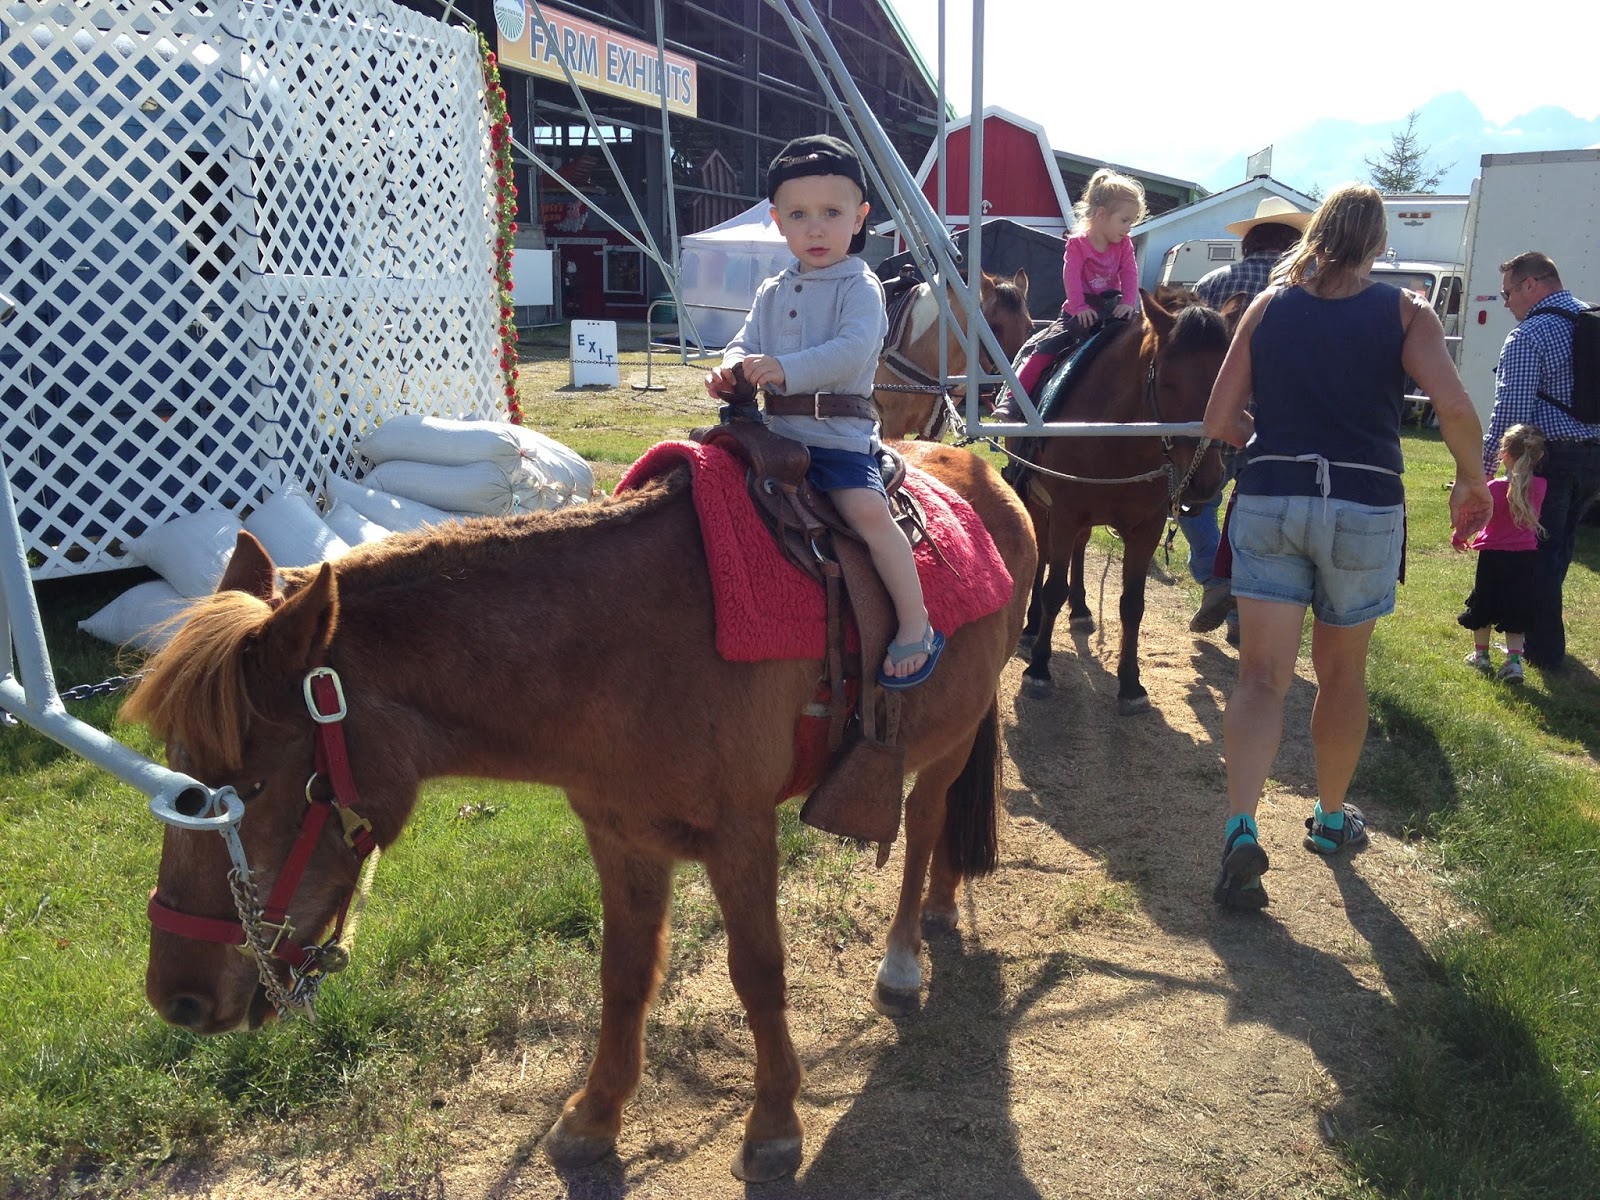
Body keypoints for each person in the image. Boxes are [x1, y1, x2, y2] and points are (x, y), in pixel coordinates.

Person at [1200, 182, 1493, 912]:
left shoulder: (1268, 306)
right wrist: (1471, 481)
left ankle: (1241, 825)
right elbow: (1454, 407)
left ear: (1318, 232)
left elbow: (1216, 417)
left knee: (1261, 679)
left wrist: (1257, 439)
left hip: (1270, 496)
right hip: (1363, 504)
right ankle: (1331, 820)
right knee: (1341, 676)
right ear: (1378, 243)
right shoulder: (1405, 312)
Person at [704, 134, 944, 688]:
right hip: (774, 433)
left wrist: (785, 369)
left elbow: (853, 351)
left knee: (863, 510)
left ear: (859, 219)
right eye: (799, 214)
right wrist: (730, 369)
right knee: (707, 488)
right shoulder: (771, 289)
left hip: (838, 436)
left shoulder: (860, 285)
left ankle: (916, 623)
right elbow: (743, 341)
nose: (816, 228)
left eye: (831, 213)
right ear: (777, 221)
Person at [1183, 197, 1314, 644]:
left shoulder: (1214, 282)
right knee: (1254, 507)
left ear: (1250, 241)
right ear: (1295, 243)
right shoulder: (1311, 286)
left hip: (1221, 411)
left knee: (1194, 496)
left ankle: (1212, 574)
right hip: (1285, 417)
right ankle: (1243, 612)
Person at [1481, 252, 1600, 672]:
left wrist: (1483, 472)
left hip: (1553, 458)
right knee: (1561, 547)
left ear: (1532, 284)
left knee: (1537, 553)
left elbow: (1510, 415)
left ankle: (1541, 649)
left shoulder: (1530, 334)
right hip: (1594, 458)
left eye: (1507, 293)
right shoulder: (1591, 317)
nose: (1507, 303)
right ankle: (1543, 641)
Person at [991, 168, 1146, 422]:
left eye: (1132, 222)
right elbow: (1071, 277)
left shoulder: (1124, 245)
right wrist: (1079, 306)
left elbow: (1130, 273)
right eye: (1125, 220)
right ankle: (1014, 400)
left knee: (1141, 341)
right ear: (1101, 214)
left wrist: (1129, 302)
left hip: (1113, 308)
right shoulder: (1077, 245)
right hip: (1078, 310)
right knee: (1045, 347)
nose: (1129, 229)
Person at [1456, 424, 1548, 686]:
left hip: (1493, 555)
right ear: (1538, 456)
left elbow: (1478, 519)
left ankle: (1481, 655)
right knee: (1517, 607)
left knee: (1484, 602)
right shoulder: (1541, 487)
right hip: (1525, 558)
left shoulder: (1494, 488)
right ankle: (1514, 663)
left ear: (1503, 453)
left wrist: (1459, 536)